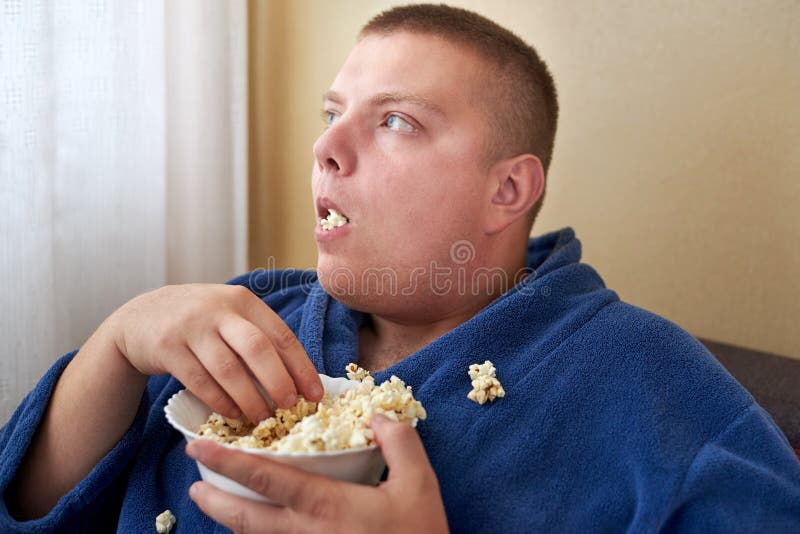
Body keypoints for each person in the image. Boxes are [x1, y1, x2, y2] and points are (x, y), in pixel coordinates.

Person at [2, 4, 799, 532]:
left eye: (395, 121)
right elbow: (34, 505)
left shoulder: (653, 384)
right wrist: (118, 342)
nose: (325, 147)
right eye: (331, 114)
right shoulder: (245, 318)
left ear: (507, 190)